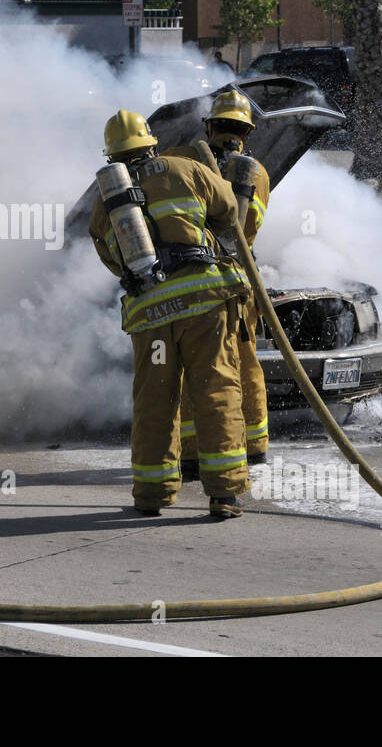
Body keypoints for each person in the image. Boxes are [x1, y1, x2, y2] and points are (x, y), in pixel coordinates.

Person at [88, 109, 251, 519]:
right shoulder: (186, 168)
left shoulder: (105, 201)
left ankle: (151, 493)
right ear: (151, 143)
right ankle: (224, 494)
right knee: (216, 388)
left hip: (152, 315)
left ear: (113, 158)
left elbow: (112, 258)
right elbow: (231, 212)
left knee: (155, 399)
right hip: (203, 305)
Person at [167, 90, 272, 481]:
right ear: (247, 131)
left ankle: (196, 454)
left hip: (205, 281)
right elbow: (247, 230)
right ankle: (255, 443)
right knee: (245, 361)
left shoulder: (187, 165)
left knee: (203, 368)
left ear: (209, 126)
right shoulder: (256, 172)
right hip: (243, 281)